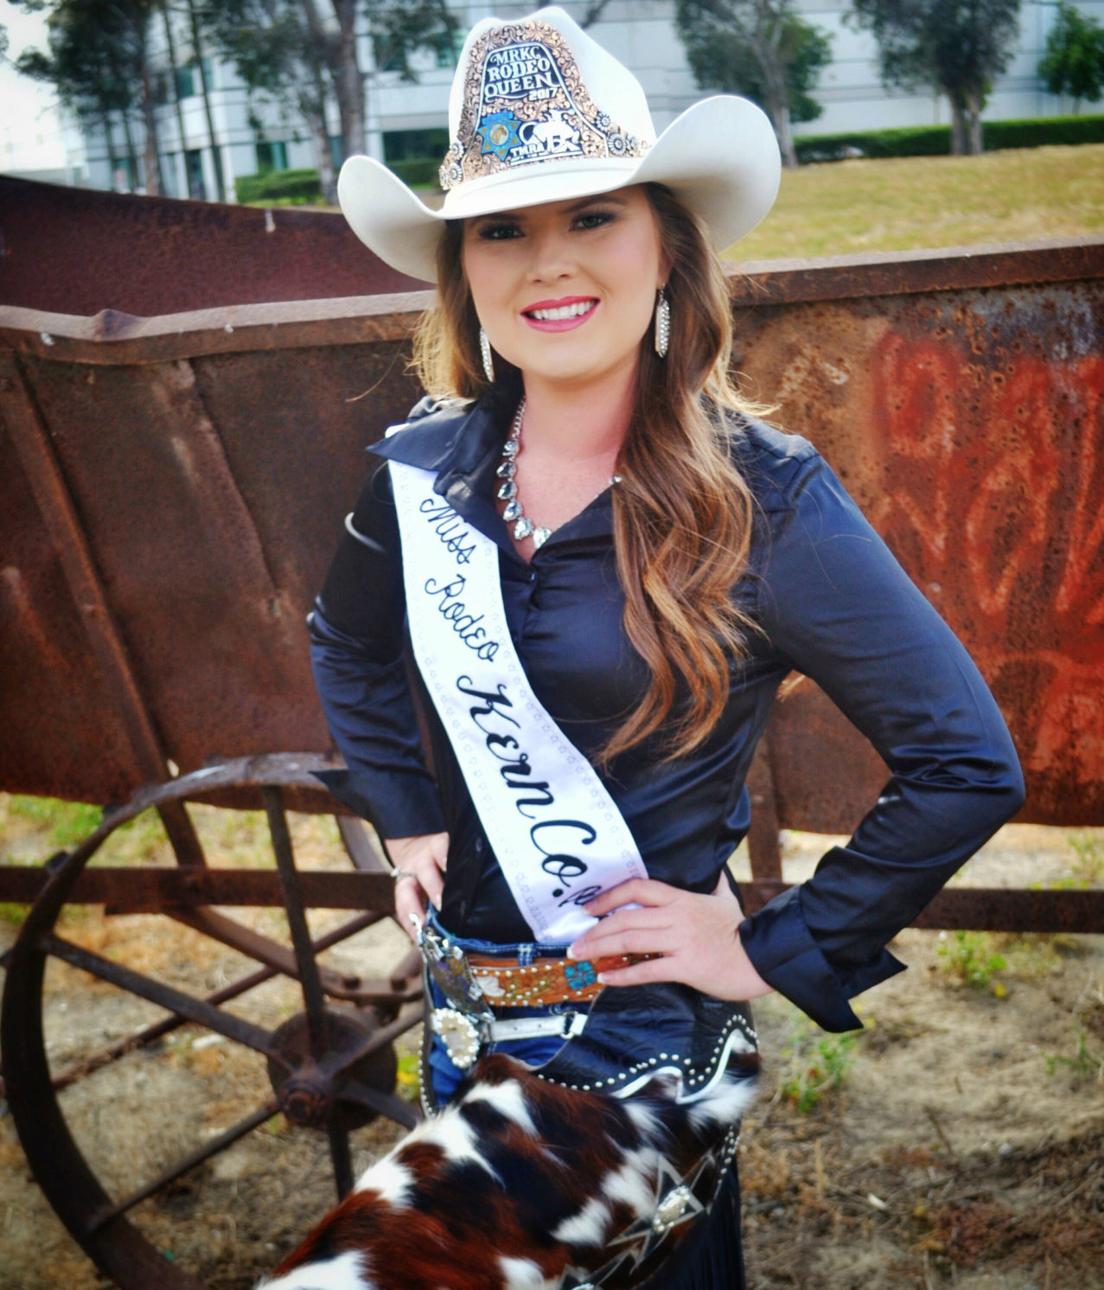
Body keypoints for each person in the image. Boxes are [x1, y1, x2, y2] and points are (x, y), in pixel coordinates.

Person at [306, 7, 1026, 1286]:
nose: (547, 263)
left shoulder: (765, 502)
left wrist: (761, 948)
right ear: (463, 269)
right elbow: (345, 644)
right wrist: (405, 808)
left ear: (665, 248)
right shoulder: (420, 476)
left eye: (593, 216)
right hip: (461, 1031)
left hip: (635, 1049)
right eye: (503, 229)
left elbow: (966, 762)